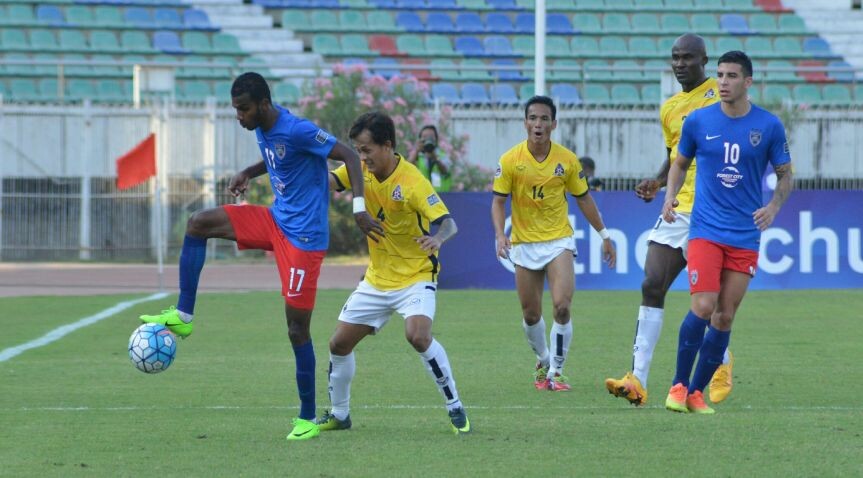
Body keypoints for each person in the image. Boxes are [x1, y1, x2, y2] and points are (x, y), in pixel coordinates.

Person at [139, 72, 380, 441]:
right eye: (236, 109)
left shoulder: (297, 129)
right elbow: (279, 158)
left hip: (303, 240)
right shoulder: (263, 125)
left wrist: (359, 207)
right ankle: (184, 316)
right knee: (198, 223)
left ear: (263, 105)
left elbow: (348, 154)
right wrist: (249, 172)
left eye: (243, 109)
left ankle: (306, 417)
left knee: (296, 329)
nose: (239, 116)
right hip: (275, 221)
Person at [317, 111, 470, 434]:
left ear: (387, 145)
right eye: (357, 150)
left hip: (416, 276)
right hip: (377, 279)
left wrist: (437, 239)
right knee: (338, 344)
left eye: (367, 149)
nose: (361, 157)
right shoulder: (360, 169)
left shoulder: (412, 181)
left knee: (418, 336)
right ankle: (340, 415)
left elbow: (449, 223)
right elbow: (329, 181)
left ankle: (455, 405)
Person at [604, 33, 734, 407]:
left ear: (704, 60)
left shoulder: (721, 95)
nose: (679, 64)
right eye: (675, 57)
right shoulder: (670, 108)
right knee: (651, 283)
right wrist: (658, 181)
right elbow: (676, 156)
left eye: (687, 57)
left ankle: (721, 360)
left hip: (714, 209)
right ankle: (637, 380)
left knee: (707, 298)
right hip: (678, 208)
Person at [662, 51, 793, 414]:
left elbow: (785, 174)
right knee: (703, 306)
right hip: (706, 229)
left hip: (745, 236)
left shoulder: (768, 126)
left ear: (748, 82)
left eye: (731, 76)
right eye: (719, 74)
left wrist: (773, 207)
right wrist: (670, 196)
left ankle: (696, 393)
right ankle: (677, 385)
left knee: (724, 316)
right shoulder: (698, 121)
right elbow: (679, 164)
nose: (722, 81)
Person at [491, 95, 616, 392]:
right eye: (533, 118)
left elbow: (583, 199)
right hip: (524, 243)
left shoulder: (567, 160)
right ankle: (544, 360)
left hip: (558, 240)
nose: (538, 124)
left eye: (544, 119)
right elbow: (497, 202)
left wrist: (604, 235)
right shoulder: (510, 160)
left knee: (561, 307)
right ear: (525, 123)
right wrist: (499, 234)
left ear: (554, 124)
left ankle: (556, 372)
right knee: (531, 314)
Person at [407, 124, 452, 192]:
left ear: (436, 139)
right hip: (422, 195)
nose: (428, 140)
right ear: (420, 139)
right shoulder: (417, 156)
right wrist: (416, 151)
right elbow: (407, 168)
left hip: (440, 195)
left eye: (431, 137)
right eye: (425, 137)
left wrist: (435, 157)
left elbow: (445, 172)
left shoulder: (442, 155)